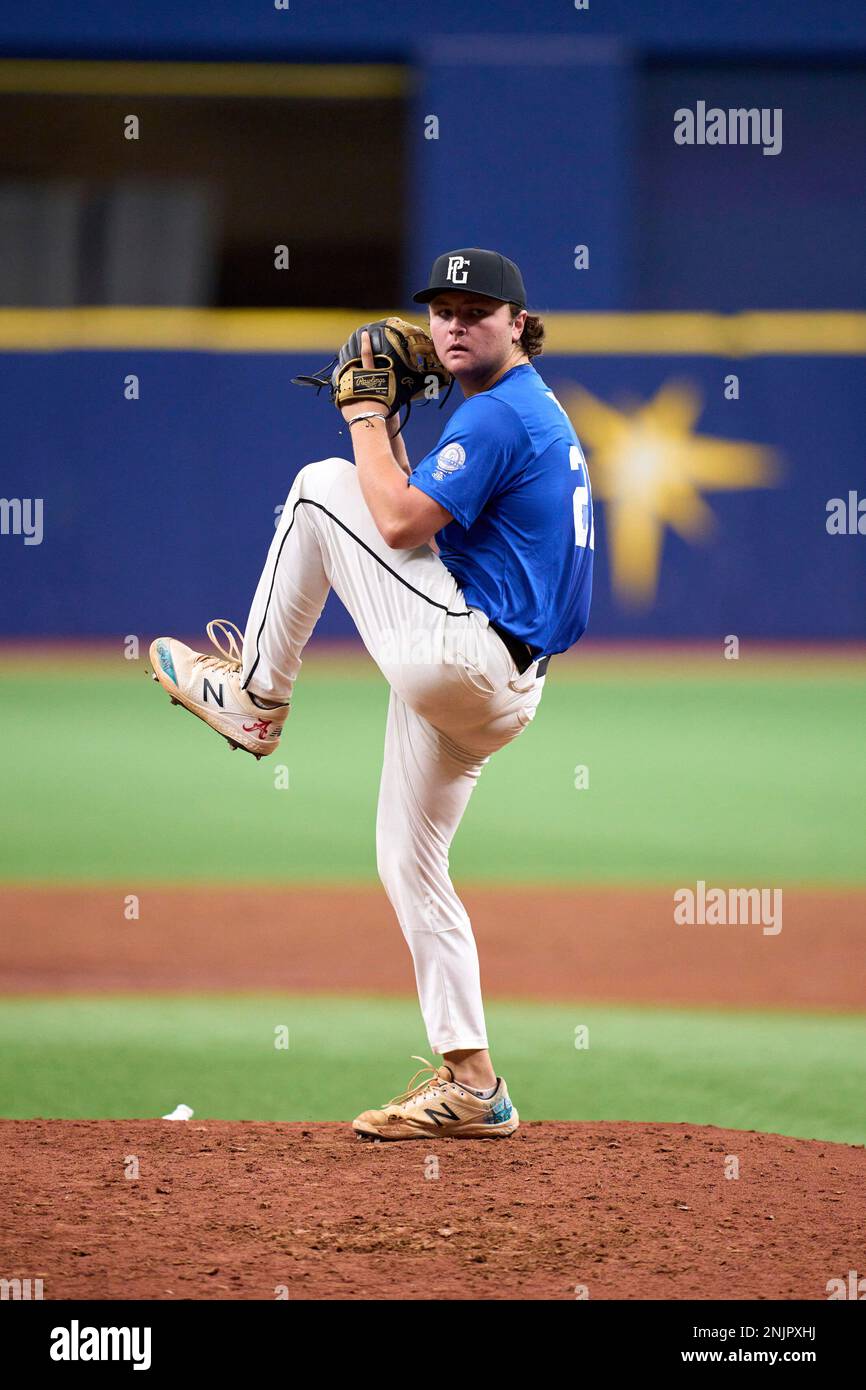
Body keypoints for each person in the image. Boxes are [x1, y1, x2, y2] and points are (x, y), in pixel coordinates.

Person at [150, 247, 594, 1142]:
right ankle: (476, 1087)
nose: (455, 323)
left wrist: (361, 409)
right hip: (492, 682)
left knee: (319, 489)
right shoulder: (509, 410)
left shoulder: (504, 415)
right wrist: (386, 423)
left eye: (477, 309)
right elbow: (405, 514)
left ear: (519, 322)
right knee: (408, 860)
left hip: (465, 656)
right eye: (442, 309)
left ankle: (254, 697)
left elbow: (384, 519)